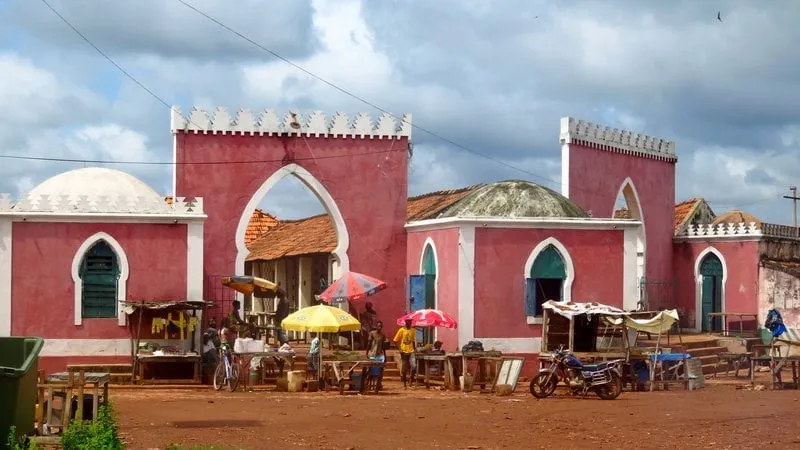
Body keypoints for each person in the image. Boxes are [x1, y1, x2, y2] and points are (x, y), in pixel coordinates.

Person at [393, 318, 416, 388]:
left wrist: (415, 349)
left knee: (414, 366)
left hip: (411, 351)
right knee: (404, 368)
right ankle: (405, 383)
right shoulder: (401, 330)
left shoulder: (413, 330)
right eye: (408, 322)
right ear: (405, 323)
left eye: (410, 322)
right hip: (404, 351)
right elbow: (395, 340)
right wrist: (400, 349)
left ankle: (411, 380)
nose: (409, 323)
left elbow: (413, 341)